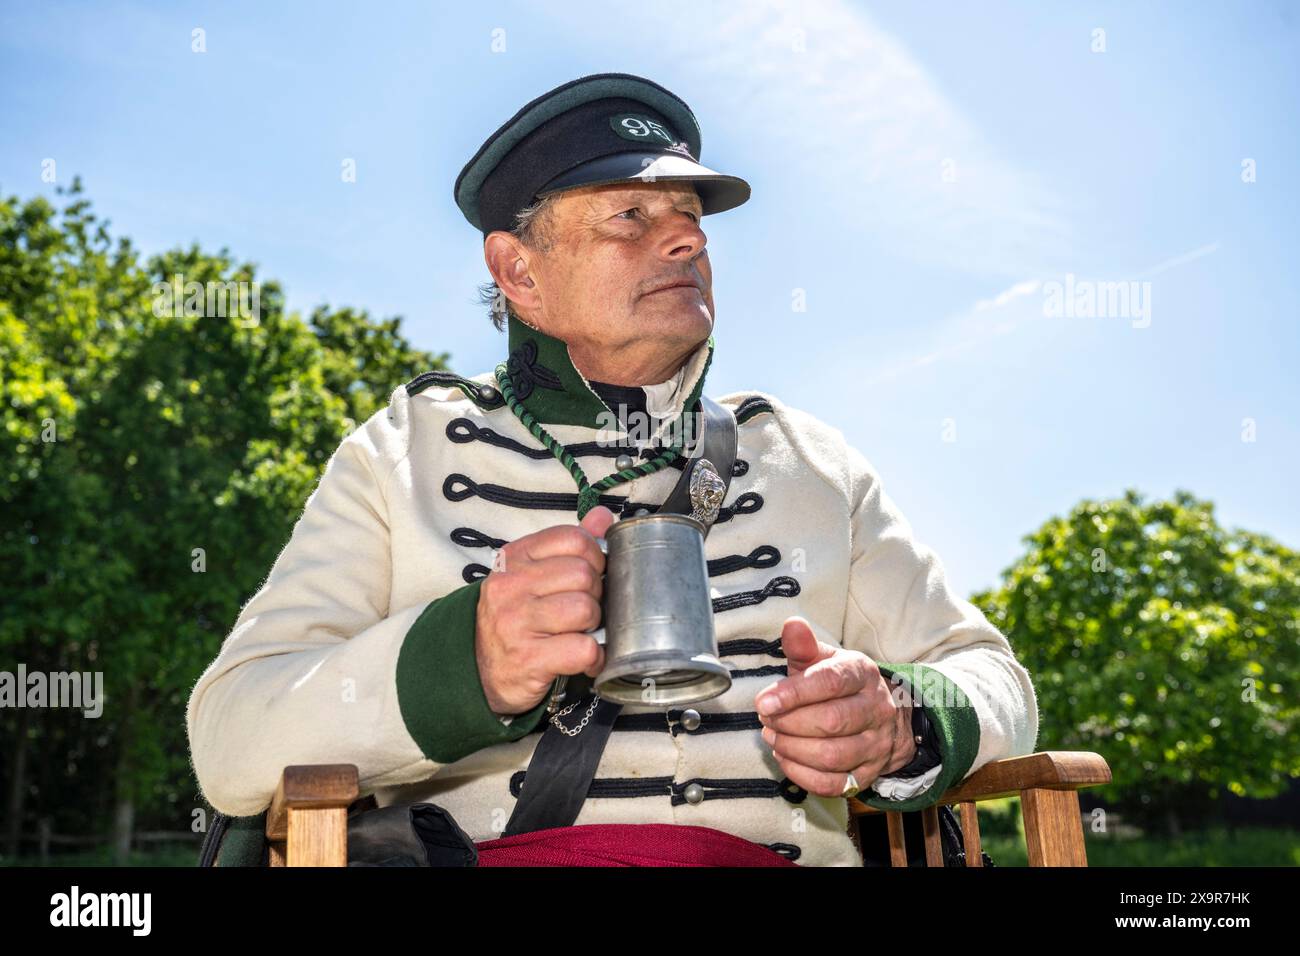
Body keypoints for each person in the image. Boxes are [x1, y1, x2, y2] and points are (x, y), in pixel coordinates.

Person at [186, 72, 1039, 867]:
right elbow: (231, 739)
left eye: (690, 219)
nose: (685, 238)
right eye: (630, 216)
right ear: (518, 270)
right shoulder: (403, 448)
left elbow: (992, 675)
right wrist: (466, 660)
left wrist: (901, 719)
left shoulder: (810, 459)